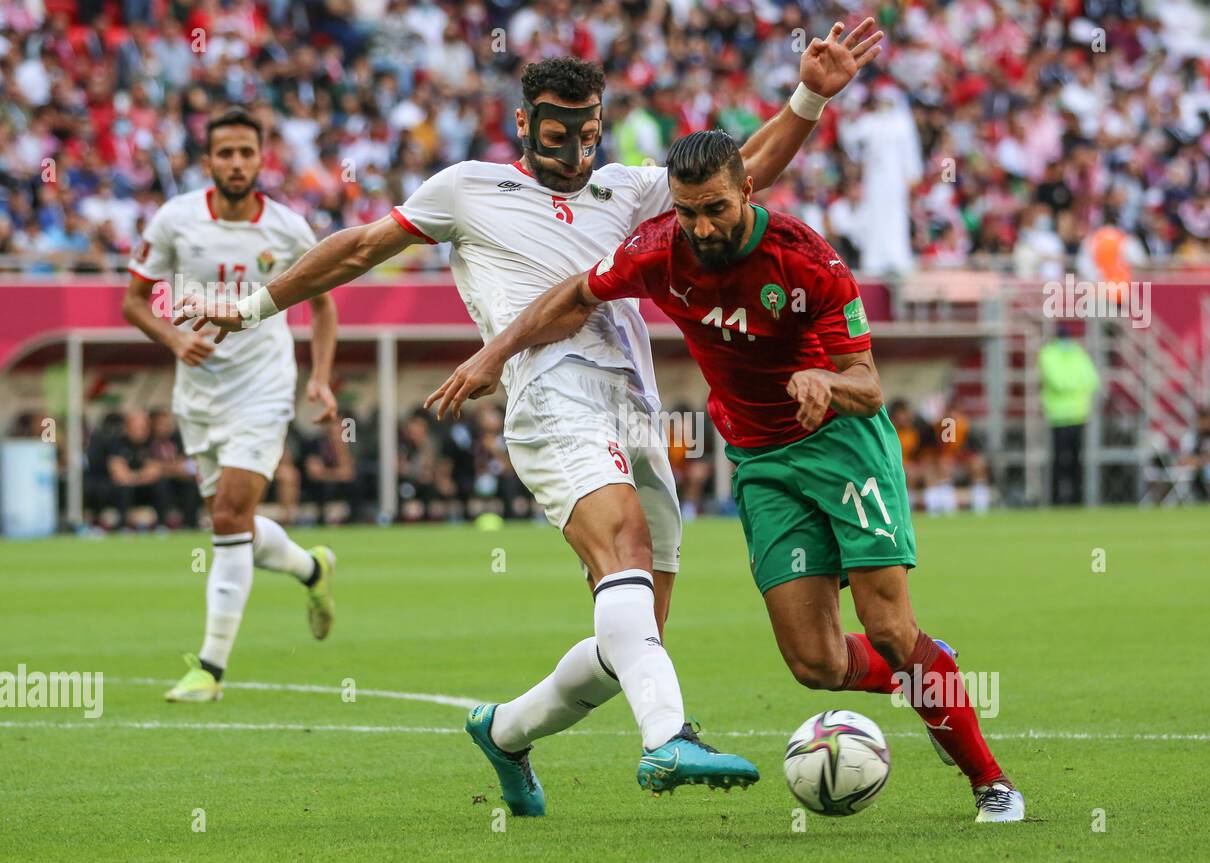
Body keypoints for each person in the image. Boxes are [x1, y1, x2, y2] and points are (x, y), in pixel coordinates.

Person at [180, 25, 887, 813]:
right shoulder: (467, 188)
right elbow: (357, 249)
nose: (576, 150)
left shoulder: (628, 189)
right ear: (523, 122)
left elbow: (738, 173)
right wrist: (247, 309)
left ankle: (506, 731)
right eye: (558, 134)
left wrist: (810, 95)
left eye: (588, 133)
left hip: (634, 408)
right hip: (548, 393)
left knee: (635, 635)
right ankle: (669, 737)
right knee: (623, 544)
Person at [438, 130, 1024, 823]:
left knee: (890, 627)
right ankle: (931, 671)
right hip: (760, 460)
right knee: (817, 664)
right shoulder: (660, 250)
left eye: (715, 208)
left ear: (748, 189)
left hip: (843, 446)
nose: (702, 227)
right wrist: (492, 355)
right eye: (687, 211)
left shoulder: (807, 262)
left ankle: (991, 783)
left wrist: (824, 381)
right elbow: (574, 294)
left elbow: (869, 384)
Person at [121, 107, 340, 702]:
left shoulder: (290, 229)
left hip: (265, 389)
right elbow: (134, 301)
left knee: (228, 518)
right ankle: (312, 569)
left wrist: (319, 379)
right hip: (197, 396)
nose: (237, 163)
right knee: (230, 520)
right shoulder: (175, 220)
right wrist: (173, 337)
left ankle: (210, 671)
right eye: (226, 153)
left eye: (247, 152)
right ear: (209, 161)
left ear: (262, 157)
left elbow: (322, 303)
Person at [1038, 323, 1100, 506]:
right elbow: (1057, 381)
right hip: (1059, 417)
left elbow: (1092, 380)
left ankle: (1076, 498)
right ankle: (1057, 498)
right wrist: (1076, 385)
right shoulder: (1050, 354)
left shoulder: (1076, 353)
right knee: (1059, 460)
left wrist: (1069, 384)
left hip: (1077, 415)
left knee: (1076, 460)